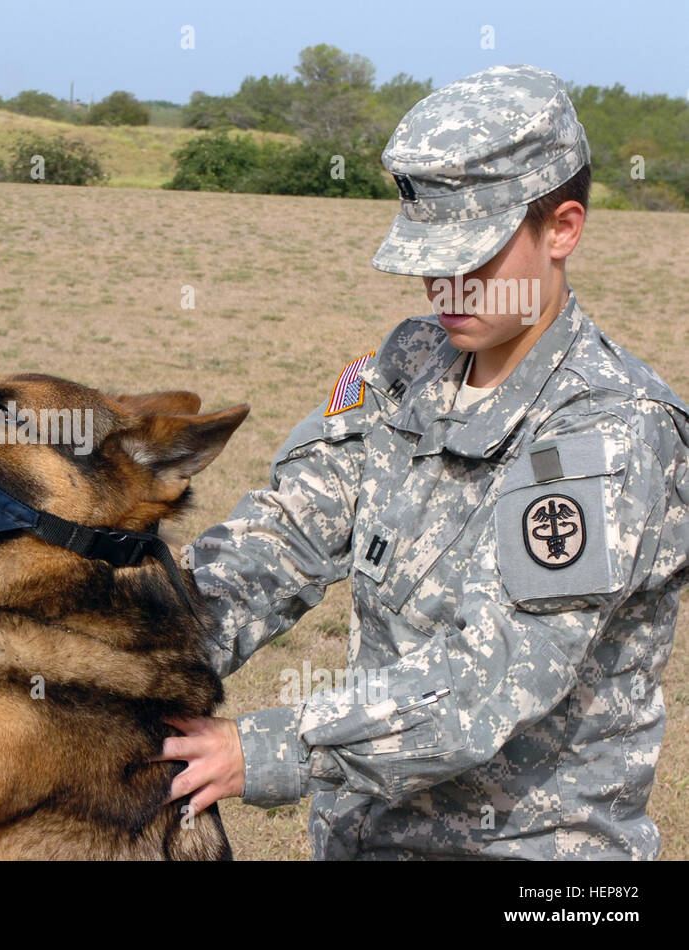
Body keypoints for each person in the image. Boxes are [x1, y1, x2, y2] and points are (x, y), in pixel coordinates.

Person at [162, 64, 689, 859]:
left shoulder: (609, 430)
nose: (446, 283)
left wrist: (261, 749)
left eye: (474, 253)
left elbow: (490, 679)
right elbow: (284, 535)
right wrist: (138, 641)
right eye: (428, 253)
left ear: (564, 228)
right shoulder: (410, 365)